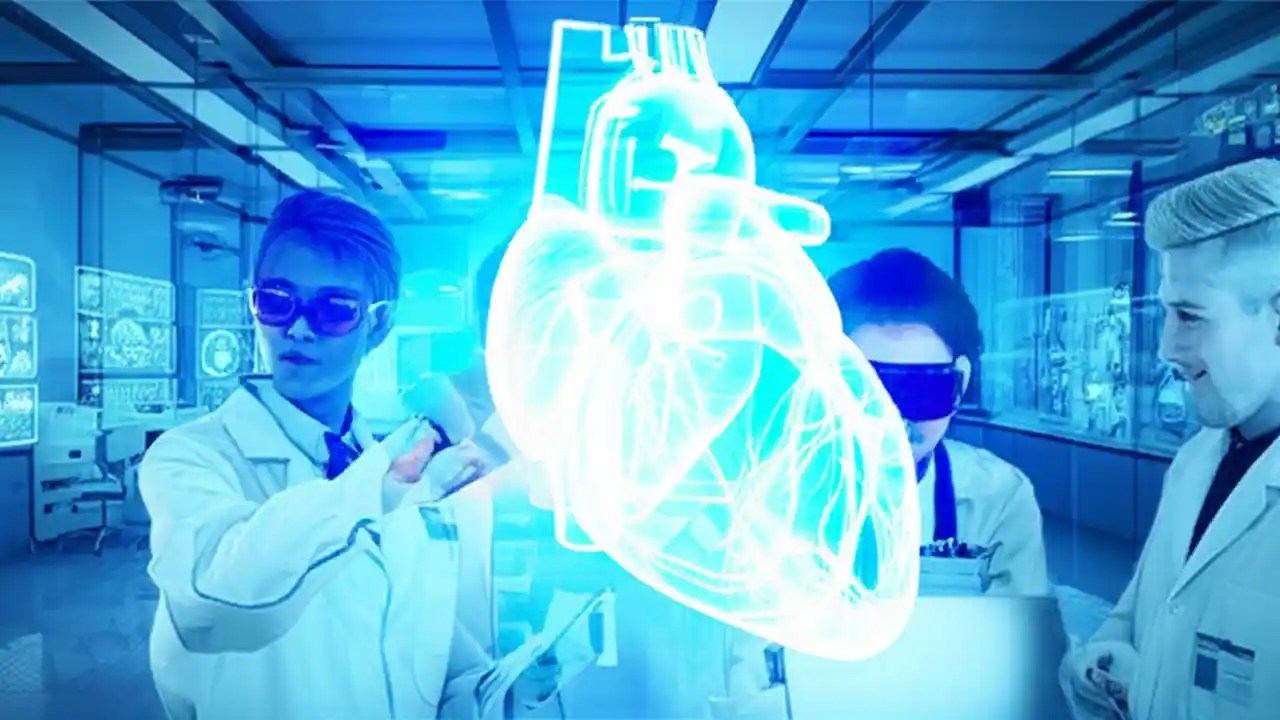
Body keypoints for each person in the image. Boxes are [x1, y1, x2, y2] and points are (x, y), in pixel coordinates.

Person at [139, 191, 541, 719]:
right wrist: (393, 472)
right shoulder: (192, 457)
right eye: (277, 301)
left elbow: (425, 665)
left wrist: (499, 692)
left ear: (378, 325)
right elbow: (216, 601)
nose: (298, 328)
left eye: (332, 310)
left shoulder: (394, 480)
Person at [717, 247, 1052, 715]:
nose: (894, 418)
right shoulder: (774, 501)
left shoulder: (997, 497)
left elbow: (1021, 674)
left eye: (920, 390)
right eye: (869, 391)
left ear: (960, 382)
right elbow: (753, 680)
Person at [1062, 158, 1280, 720]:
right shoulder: (1195, 463)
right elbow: (1140, 620)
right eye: (1166, 314)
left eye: (1189, 317)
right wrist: (1114, 662)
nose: (1165, 347)